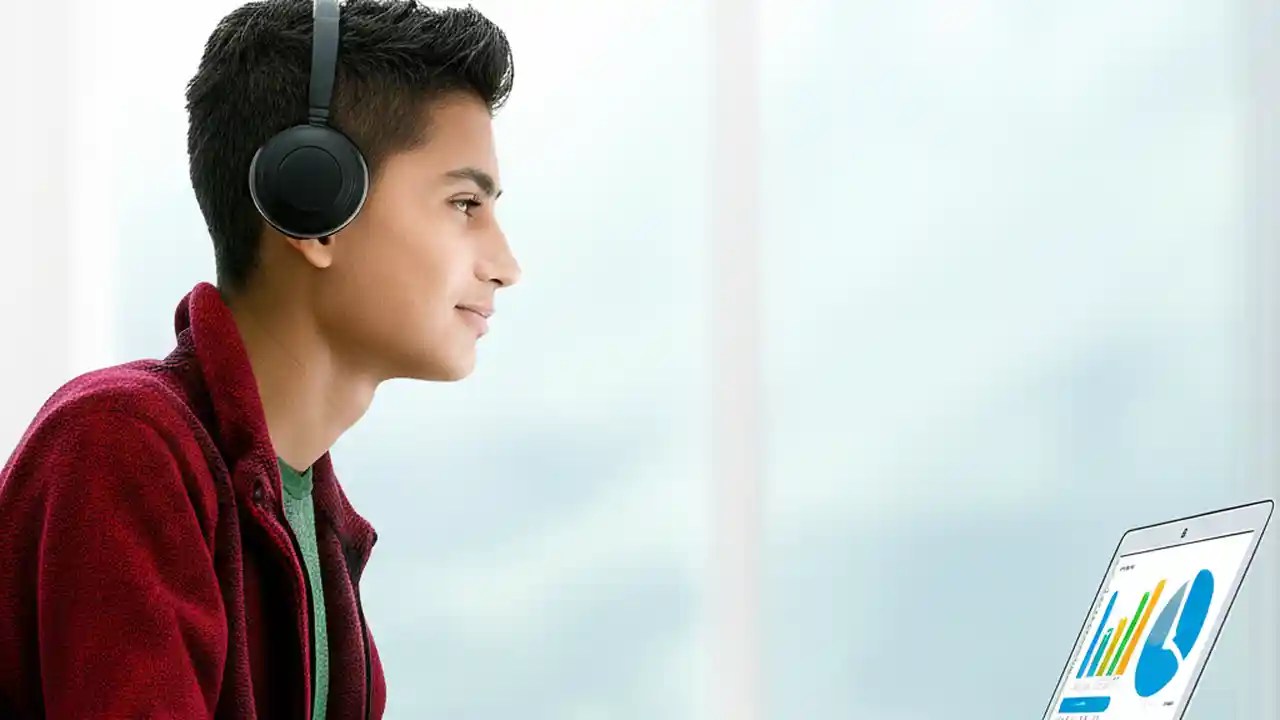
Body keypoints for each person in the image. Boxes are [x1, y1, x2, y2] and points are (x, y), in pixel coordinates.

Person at [0, 0, 520, 717]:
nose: (505, 265)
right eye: (465, 204)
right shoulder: (120, 448)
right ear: (316, 206)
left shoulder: (314, 525)